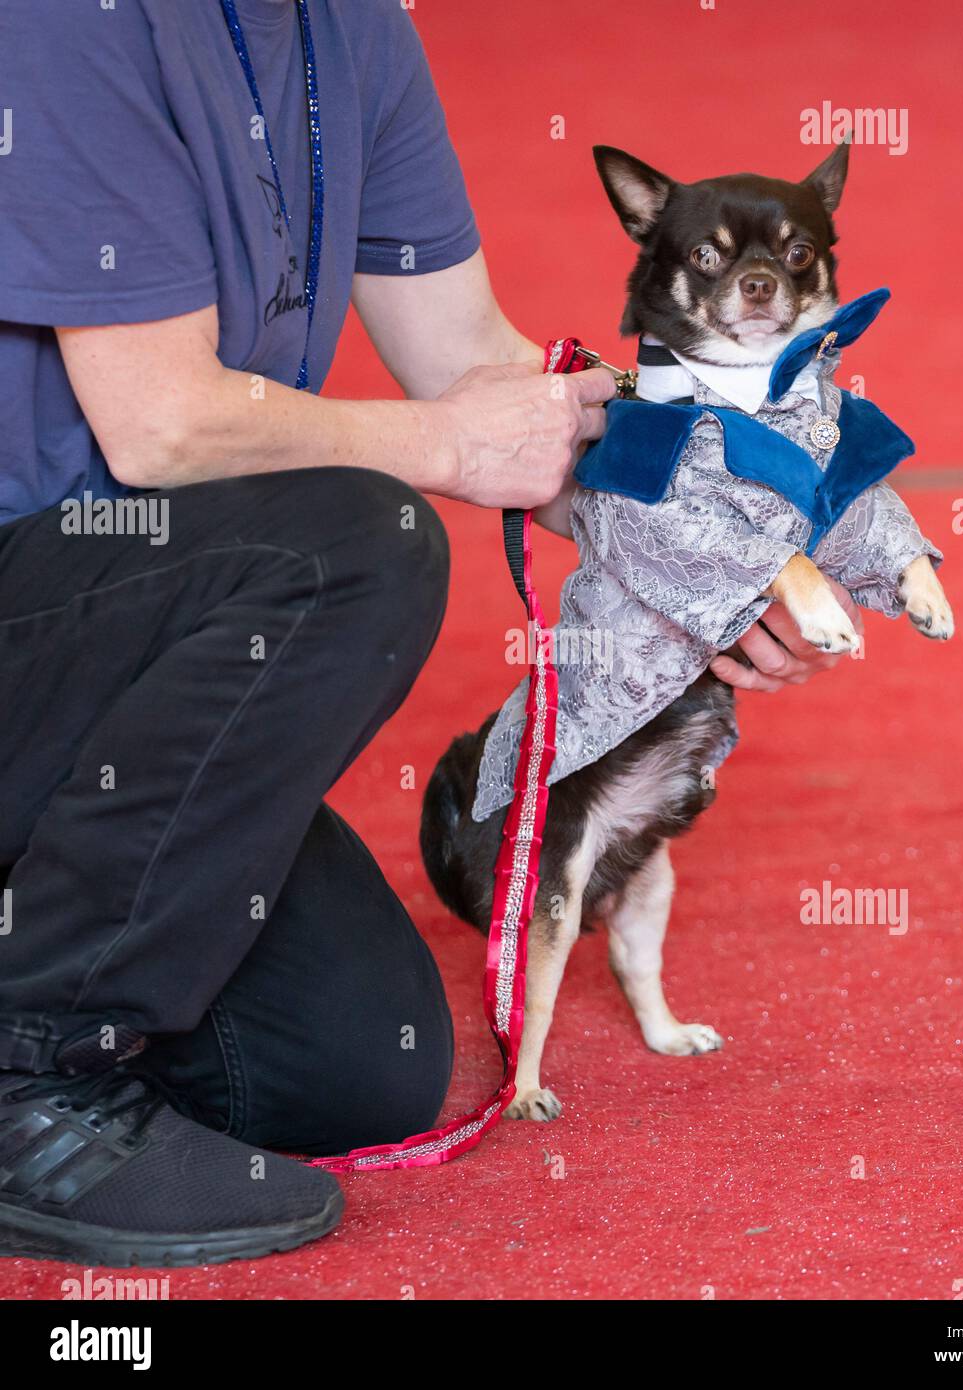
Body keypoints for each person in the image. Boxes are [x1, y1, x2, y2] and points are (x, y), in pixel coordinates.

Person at [0, 0, 859, 1268]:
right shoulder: (72, 24)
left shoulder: (353, 31)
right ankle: (30, 1081)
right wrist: (446, 447)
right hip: (42, 585)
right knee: (356, 540)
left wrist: (716, 549)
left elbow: (468, 355)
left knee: (354, 1068)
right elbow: (160, 427)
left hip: (130, 637)